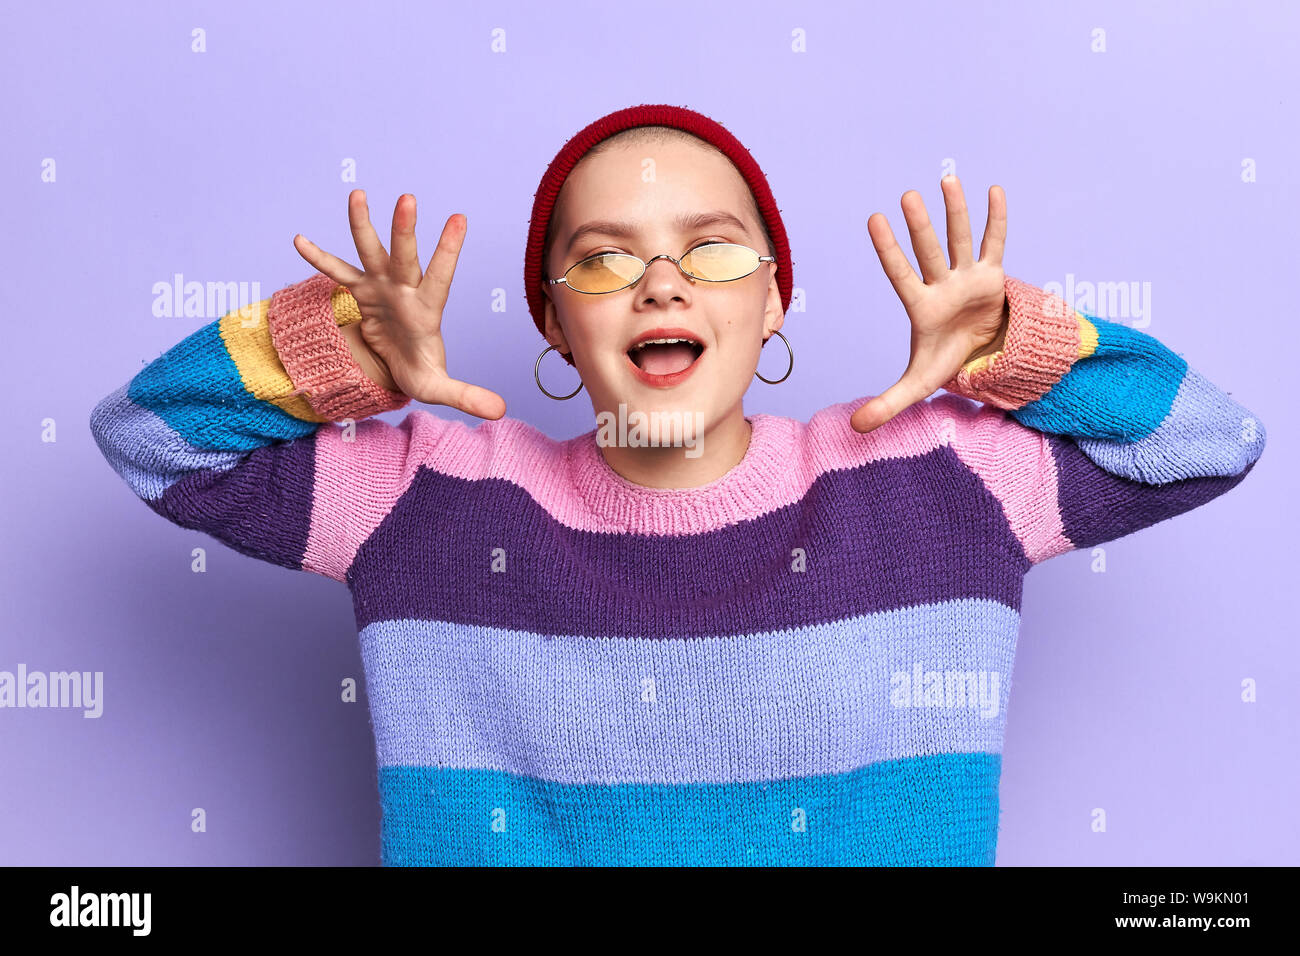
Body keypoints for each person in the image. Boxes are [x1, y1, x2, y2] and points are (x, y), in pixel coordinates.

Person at [89, 104, 1266, 866]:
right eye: (602, 257)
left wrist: (1016, 343)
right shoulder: (428, 497)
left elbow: (1208, 439)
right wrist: (338, 354)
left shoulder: (942, 480)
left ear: (773, 299)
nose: (660, 283)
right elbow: (150, 435)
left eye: (710, 247)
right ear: (553, 321)